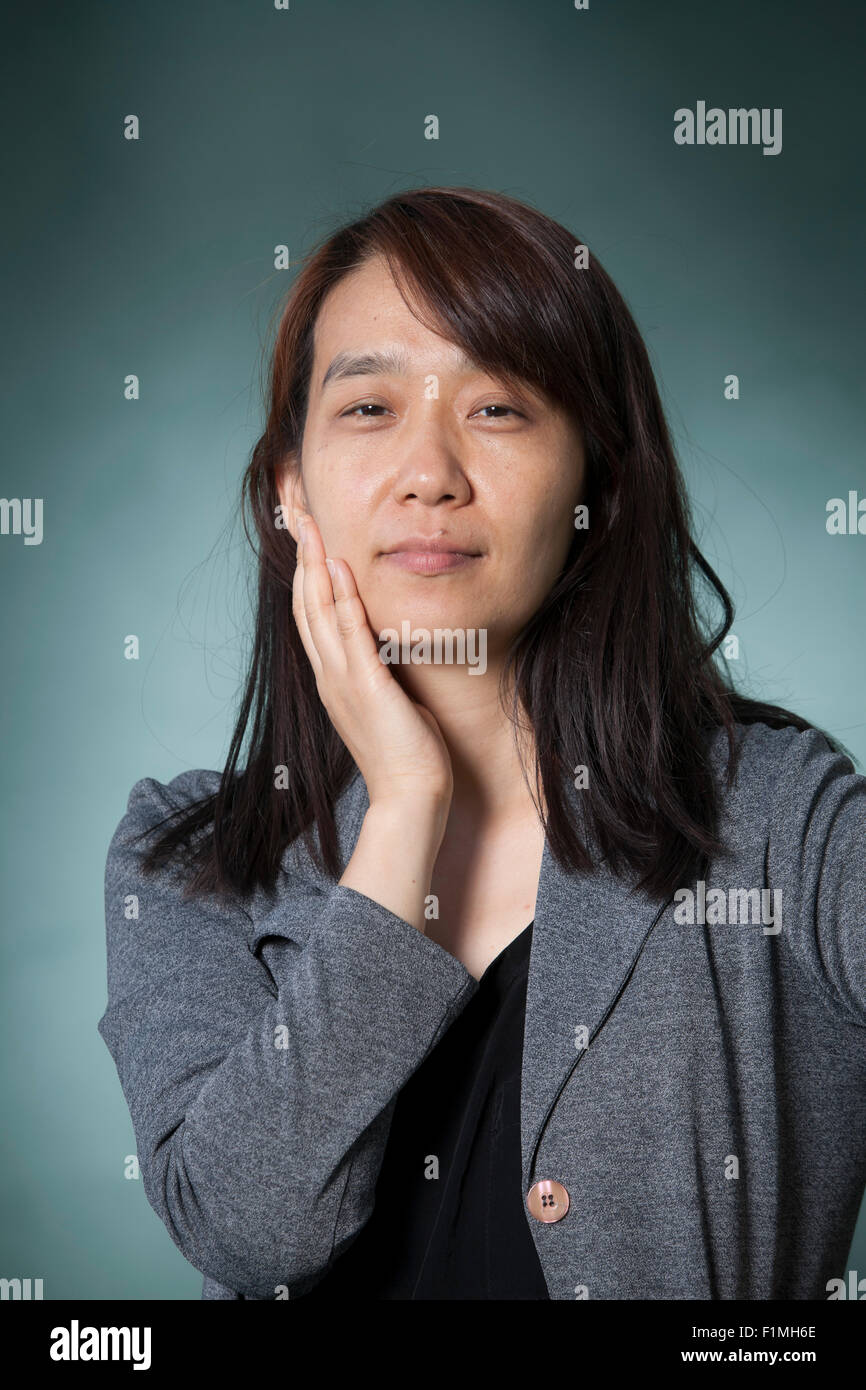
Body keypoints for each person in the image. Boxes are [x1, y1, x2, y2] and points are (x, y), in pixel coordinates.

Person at [97, 186, 866, 1300]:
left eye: (497, 407)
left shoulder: (779, 821)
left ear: (596, 479)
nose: (430, 473)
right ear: (288, 491)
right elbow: (252, 1233)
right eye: (367, 409)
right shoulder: (194, 861)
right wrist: (409, 802)